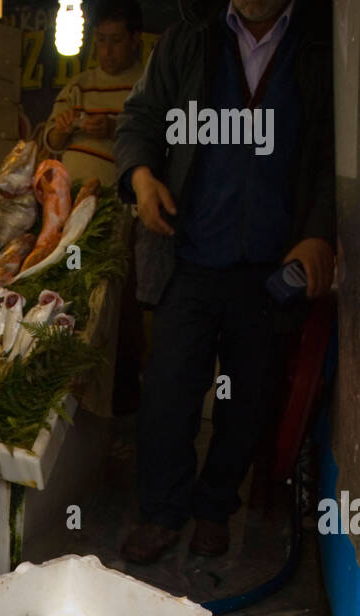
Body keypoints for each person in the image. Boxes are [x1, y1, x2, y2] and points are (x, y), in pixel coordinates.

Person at [114, 0, 335, 563]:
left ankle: (215, 508)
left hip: (270, 268)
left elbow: (338, 152)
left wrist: (319, 233)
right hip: (188, 254)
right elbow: (140, 117)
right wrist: (140, 177)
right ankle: (163, 512)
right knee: (167, 394)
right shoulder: (188, 35)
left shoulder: (319, 44)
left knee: (248, 400)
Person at [43, 0, 145, 186]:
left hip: (115, 203)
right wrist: (62, 129)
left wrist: (112, 128)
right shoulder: (78, 85)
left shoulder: (146, 87)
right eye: (101, 40)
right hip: (67, 196)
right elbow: (51, 141)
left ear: (135, 39)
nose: (107, 51)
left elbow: (156, 142)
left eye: (116, 41)